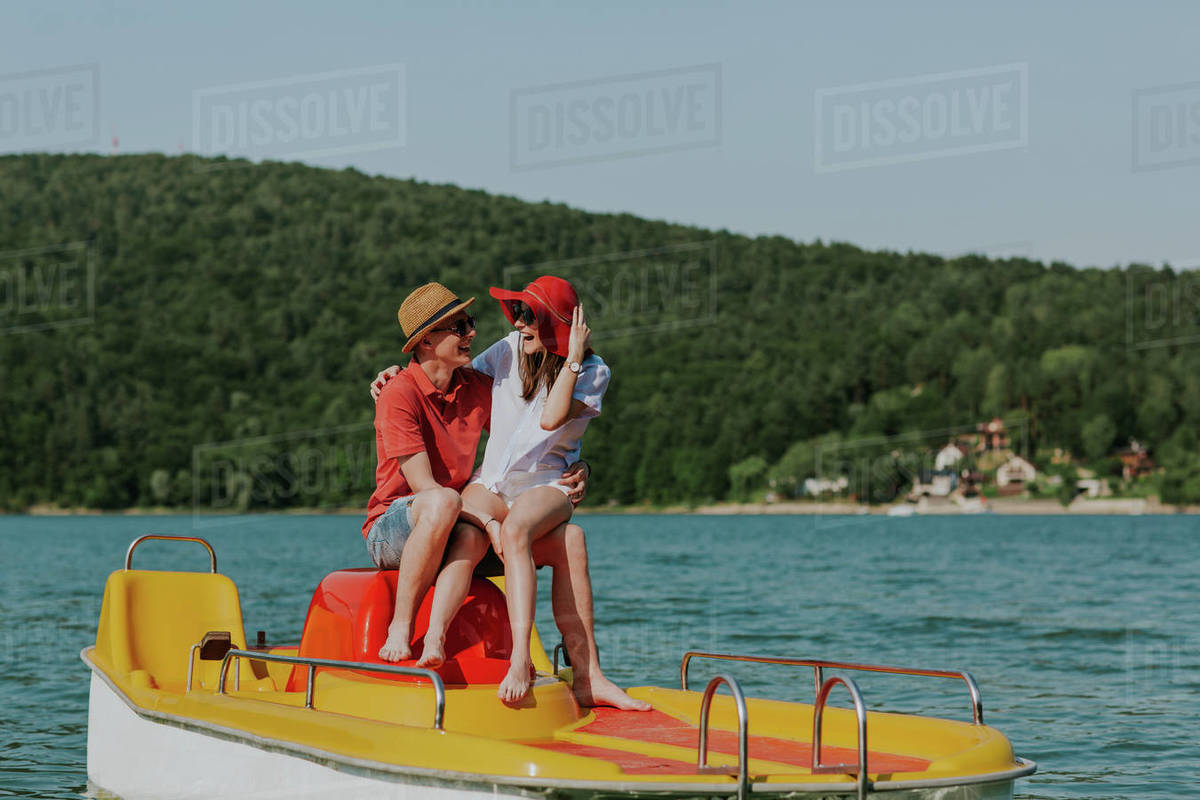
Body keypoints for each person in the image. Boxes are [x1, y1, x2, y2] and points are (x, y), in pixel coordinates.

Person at [367, 281, 647, 711]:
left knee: (570, 540)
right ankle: (402, 628)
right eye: (459, 326)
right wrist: (492, 520)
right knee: (449, 505)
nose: (472, 332)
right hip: (398, 524)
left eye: (470, 322)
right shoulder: (400, 393)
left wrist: (582, 468)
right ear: (426, 340)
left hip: (464, 513)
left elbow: (542, 423)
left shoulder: (476, 385)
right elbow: (427, 489)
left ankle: (588, 674)